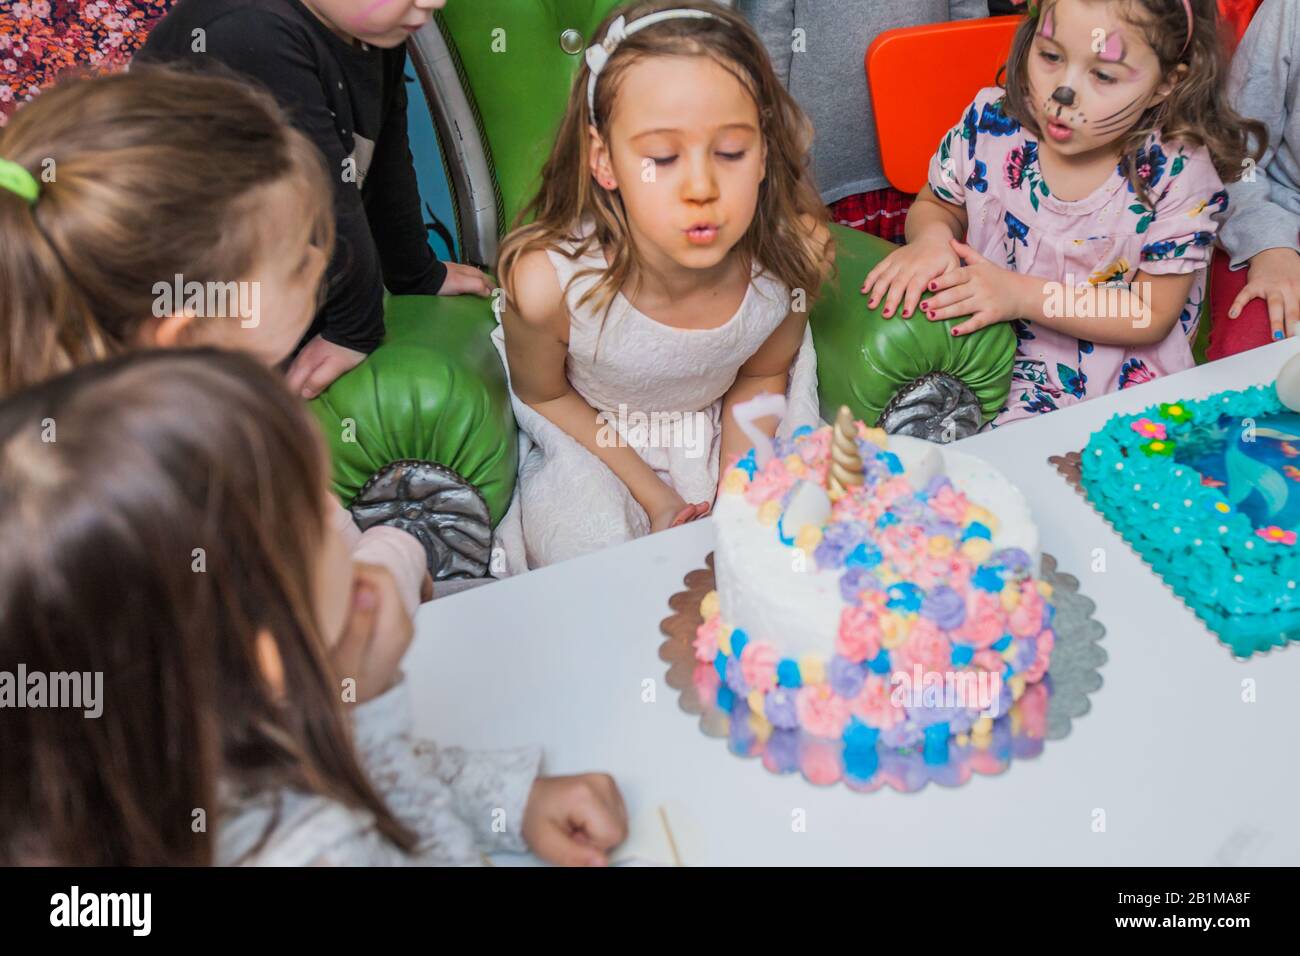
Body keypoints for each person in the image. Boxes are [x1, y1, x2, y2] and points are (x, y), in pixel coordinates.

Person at [491, 0, 834, 571]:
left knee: (794, 544)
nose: (701, 186)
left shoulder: (792, 262)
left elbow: (763, 373)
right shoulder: (547, 285)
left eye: (730, 152)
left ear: (765, 154)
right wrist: (655, 498)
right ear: (605, 162)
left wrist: (735, 496)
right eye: (662, 157)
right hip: (595, 433)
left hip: (731, 422)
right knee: (594, 558)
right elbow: (545, 395)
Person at [862, 0, 1262, 424]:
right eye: (1051, 55)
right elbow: (938, 202)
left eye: (1103, 75)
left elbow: (1150, 314)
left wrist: (1019, 294)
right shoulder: (992, 121)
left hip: (1122, 398)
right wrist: (932, 239)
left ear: (1167, 81)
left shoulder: (1178, 173)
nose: (1062, 92)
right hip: (991, 372)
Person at [139, 0, 492, 399]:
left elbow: (385, 154)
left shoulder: (371, 31)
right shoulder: (253, 32)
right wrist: (353, 329)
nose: (434, 2)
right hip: (192, 300)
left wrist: (414, 269)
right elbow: (322, 195)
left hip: (280, 273)